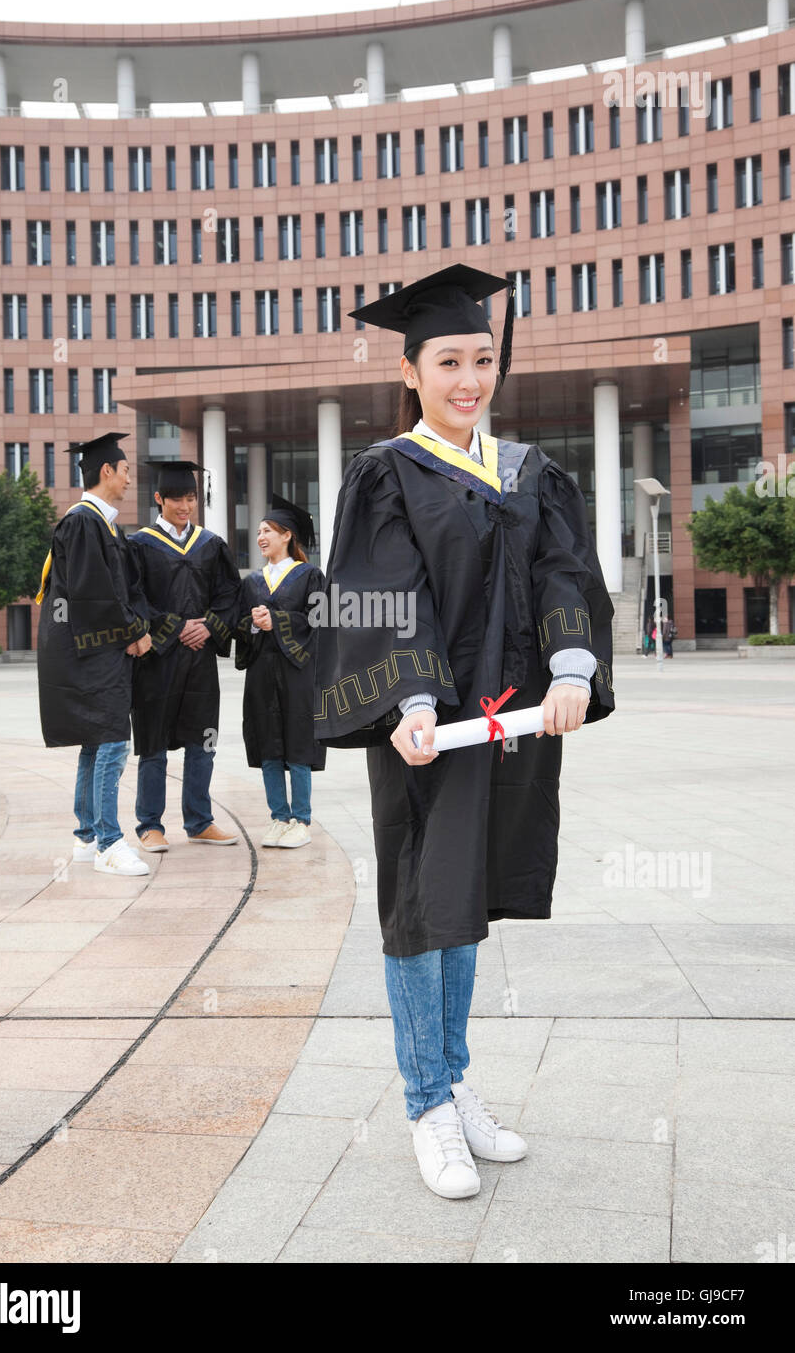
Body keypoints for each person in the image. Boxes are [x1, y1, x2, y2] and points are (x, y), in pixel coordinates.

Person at [314, 263, 615, 1200]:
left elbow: (567, 573)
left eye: (482, 360)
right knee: (420, 906)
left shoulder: (531, 472)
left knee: (468, 903)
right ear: (411, 371)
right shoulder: (386, 474)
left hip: (513, 719)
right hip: (428, 732)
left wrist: (573, 666)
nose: (469, 381)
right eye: (448, 362)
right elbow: (382, 593)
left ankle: (453, 1080)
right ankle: (426, 1105)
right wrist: (408, 699)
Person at [36, 431, 152, 877]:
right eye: (125, 471)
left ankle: (85, 836)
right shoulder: (84, 521)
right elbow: (92, 593)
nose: (128, 479)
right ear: (106, 471)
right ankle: (108, 840)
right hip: (93, 650)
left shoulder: (101, 523)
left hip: (92, 649)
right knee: (112, 740)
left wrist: (137, 626)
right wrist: (132, 633)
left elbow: (122, 587)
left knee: (94, 739)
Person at [127, 459, 242, 851]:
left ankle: (199, 820)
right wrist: (176, 628)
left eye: (190, 498)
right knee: (153, 741)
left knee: (203, 739)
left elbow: (230, 594)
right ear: (159, 498)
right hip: (158, 660)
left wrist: (208, 625)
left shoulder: (211, 545)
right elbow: (134, 597)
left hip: (200, 658)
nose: (184, 506)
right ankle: (149, 824)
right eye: (176, 498)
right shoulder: (140, 545)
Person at [234, 494, 326, 848]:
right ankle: (278, 817)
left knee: (298, 742)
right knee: (269, 743)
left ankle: (301, 820)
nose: (261, 537)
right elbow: (239, 625)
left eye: (268, 531)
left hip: (297, 672)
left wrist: (279, 621)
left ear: (287, 535)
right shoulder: (252, 583)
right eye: (258, 531)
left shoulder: (310, 576)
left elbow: (320, 622)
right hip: (260, 672)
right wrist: (254, 626)